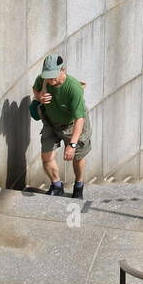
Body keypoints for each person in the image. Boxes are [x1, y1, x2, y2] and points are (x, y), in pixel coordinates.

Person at [32, 54, 92, 198]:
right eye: (48, 75)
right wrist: (39, 96)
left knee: (77, 157)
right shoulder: (43, 79)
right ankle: (56, 185)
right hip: (51, 122)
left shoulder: (73, 88)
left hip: (72, 125)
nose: (51, 79)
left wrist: (72, 145)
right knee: (46, 157)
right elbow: (35, 90)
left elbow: (79, 118)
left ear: (63, 70)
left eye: (54, 76)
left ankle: (78, 186)